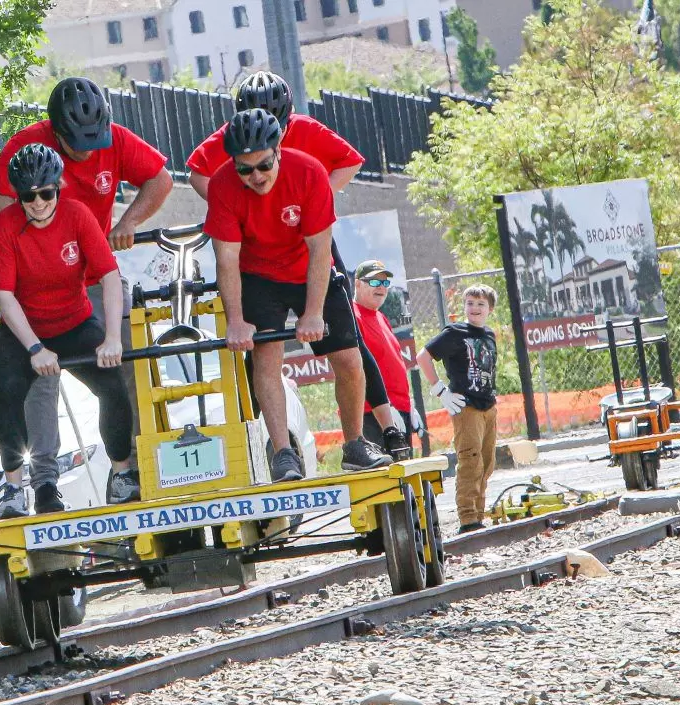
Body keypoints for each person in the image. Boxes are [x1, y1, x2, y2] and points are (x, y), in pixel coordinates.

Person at [187, 71, 407, 457]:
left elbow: (320, 252)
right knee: (266, 357)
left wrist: (314, 312)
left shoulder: (308, 171)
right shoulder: (224, 184)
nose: (255, 176)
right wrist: (236, 320)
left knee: (348, 350)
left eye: (263, 166)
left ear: (279, 147)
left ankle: (358, 442)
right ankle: (281, 450)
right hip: (258, 271)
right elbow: (226, 259)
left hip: (306, 261)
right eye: (245, 169)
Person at [0, 77, 172, 506]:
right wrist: (35, 223)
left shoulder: (114, 142)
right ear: (56, 131)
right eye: (76, 143)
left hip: (92, 274)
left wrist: (127, 223)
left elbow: (160, 179)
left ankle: (133, 468)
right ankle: (43, 482)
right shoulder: (29, 145)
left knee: (120, 366)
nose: (87, 150)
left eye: (94, 139)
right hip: (39, 286)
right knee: (35, 380)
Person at [0, 144, 140, 519]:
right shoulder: (6, 226)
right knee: (8, 387)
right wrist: (35, 348)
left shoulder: (77, 215)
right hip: (24, 328)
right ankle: (14, 488)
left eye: (46, 193)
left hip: (74, 321)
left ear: (57, 188)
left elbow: (111, 277)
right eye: (28, 196)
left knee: (112, 384)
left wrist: (112, 338)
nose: (38, 203)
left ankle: (120, 473)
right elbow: (3, 295)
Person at [416, 286, 499, 534]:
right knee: (470, 460)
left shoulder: (489, 334)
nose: (475, 308)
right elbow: (423, 356)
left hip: (488, 406)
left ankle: (479, 514)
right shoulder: (455, 332)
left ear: (490, 309)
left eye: (480, 304)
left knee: (487, 463)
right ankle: (468, 518)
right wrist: (440, 390)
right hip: (466, 407)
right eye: (470, 303)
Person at [351, 259, 424, 459]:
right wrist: (387, 408)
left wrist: (408, 403)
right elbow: (354, 368)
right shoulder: (352, 316)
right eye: (374, 282)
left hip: (398, 410)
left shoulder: (380, 317)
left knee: (405, 475)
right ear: (357, 284)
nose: (381, 288)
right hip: (372, 413)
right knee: (387, 478)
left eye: (384, 283)